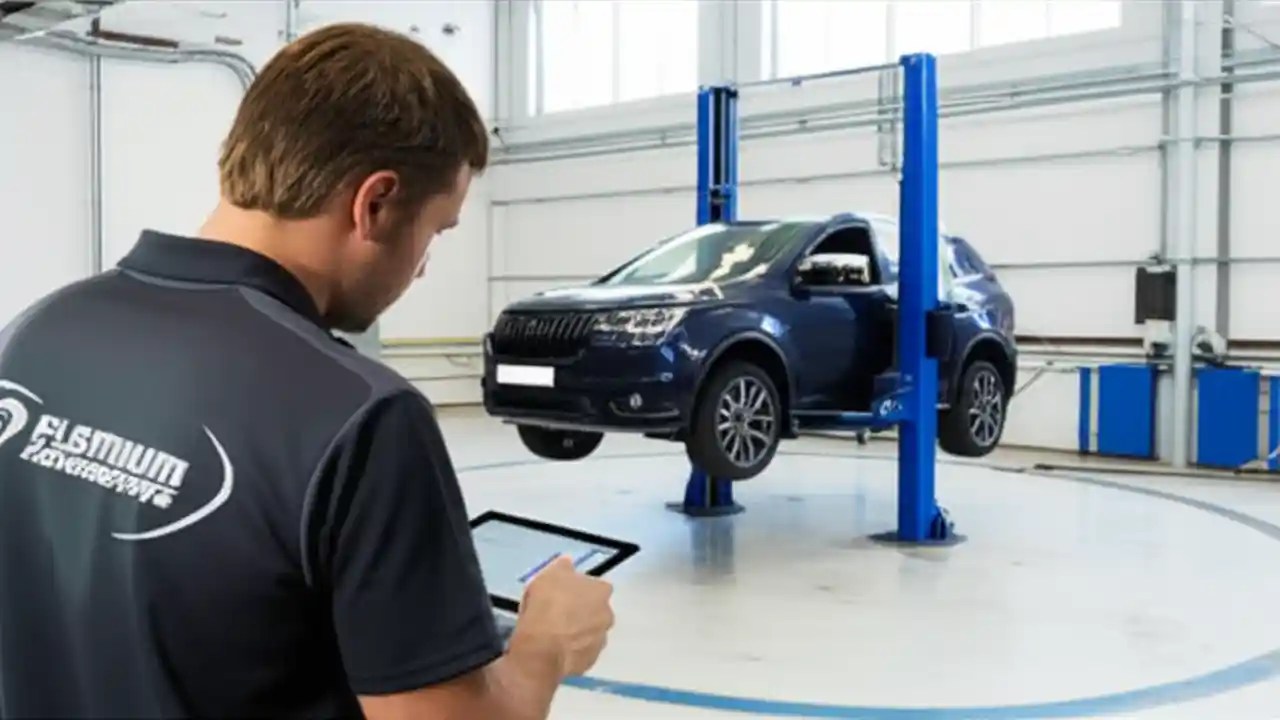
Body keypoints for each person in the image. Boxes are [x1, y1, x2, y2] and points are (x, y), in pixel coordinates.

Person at [0, 22, 614, 719]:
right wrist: (545, 644)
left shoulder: (33, 333)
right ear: (374, 204)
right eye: (435, 231)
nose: (422, 267)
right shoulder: (360, 416)